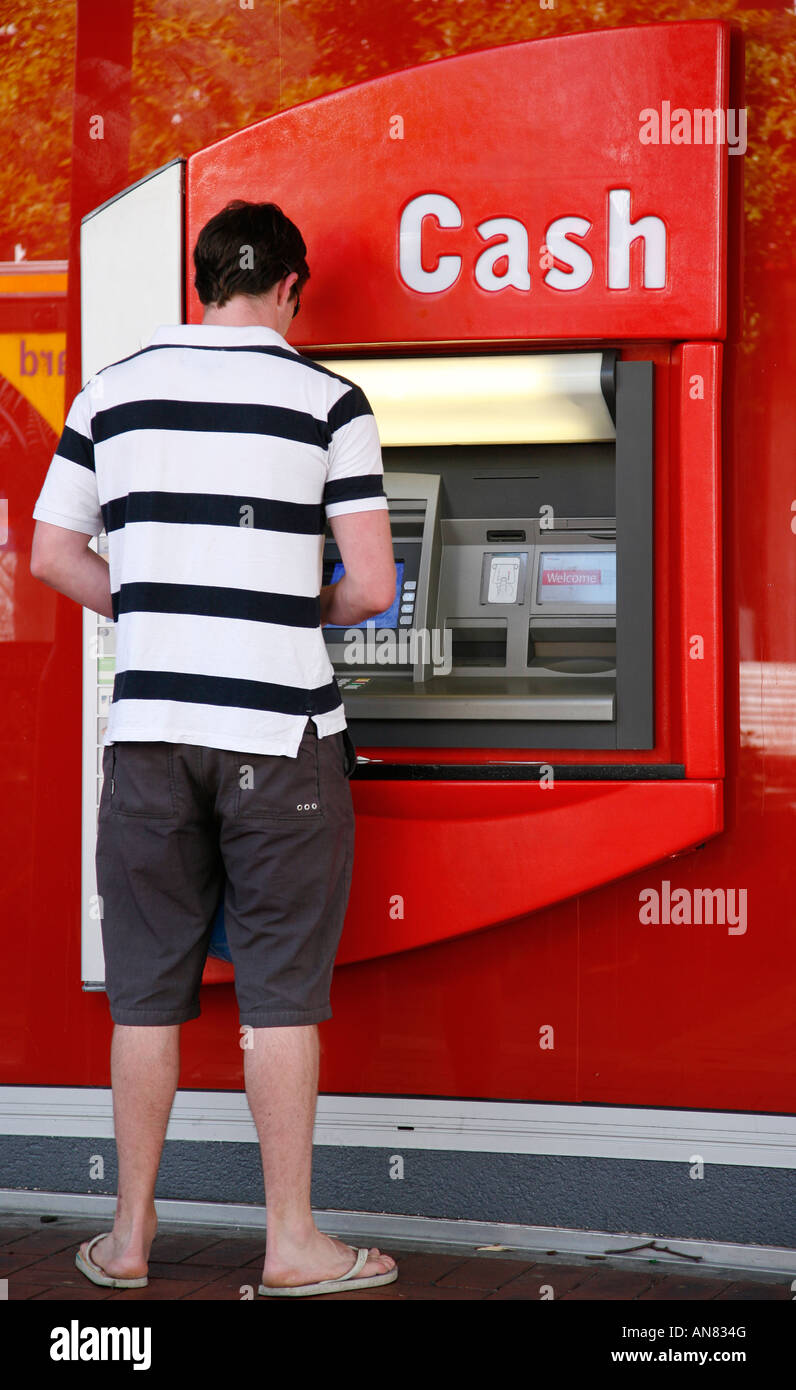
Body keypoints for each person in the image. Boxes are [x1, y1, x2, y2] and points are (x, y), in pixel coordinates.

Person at [30, 199, 399, 1297]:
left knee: (146, 996)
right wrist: (284, 614)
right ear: (291, 288)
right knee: (280, 995)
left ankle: (129, 1240)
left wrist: (150, 613)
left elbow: (52, 552)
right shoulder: (328, 400)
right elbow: (374, 585)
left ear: (201, 283)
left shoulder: (112, 390)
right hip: (279, 739)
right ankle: (292, 1241)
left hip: (147, 739)